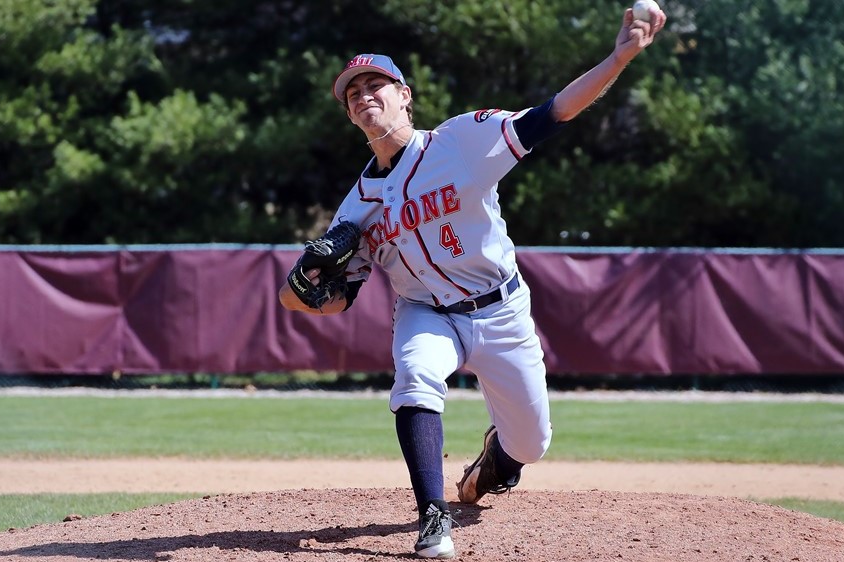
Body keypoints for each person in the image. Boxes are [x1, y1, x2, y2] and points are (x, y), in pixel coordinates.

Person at [279, 6, 667, 559]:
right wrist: (302, 292)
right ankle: (432, 516)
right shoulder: (355, 208)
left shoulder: (460, 141)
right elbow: (335, 298)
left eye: (375, 85)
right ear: (350, 114)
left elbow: (554, 113)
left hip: (501, 309)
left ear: (405, 95)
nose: (364, 95)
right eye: (353, 93)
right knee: (415, 377)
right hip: (426, 312)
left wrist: (619, 58)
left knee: (532, 443)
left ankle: (497, 460)